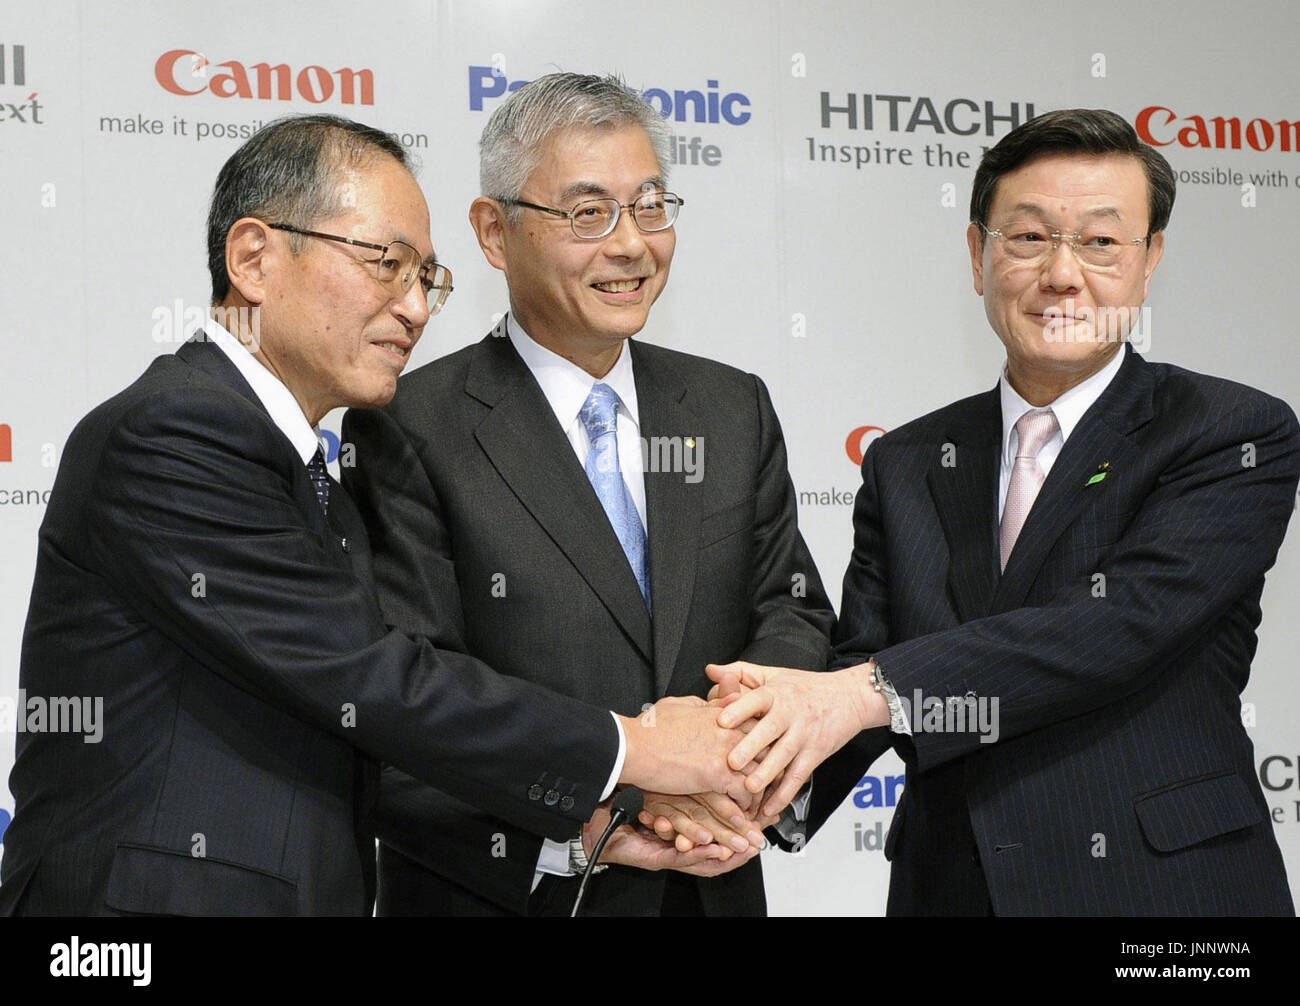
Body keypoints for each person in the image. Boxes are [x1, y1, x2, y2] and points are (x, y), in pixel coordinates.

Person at [0, 113, 757, 917]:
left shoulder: (315, 467)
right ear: (255, 259)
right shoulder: (175, 432)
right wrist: (638, 745)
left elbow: (367, 731)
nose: (415, 308)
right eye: (385, 264)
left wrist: (577, 839)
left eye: (426, 278)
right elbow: (375, 677)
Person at [707, 108, 1299, 915]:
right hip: (951, 889)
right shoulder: (907, 459)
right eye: (1028, 238)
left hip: (1164, 895)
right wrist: (749, 793)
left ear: (1149, 260)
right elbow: (867, 658)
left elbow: (1119, 626)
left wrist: (861, 691)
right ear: (978, 256)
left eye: (1100, 242)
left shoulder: (1231, 431)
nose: (1063, 273)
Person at [342, 73, 835, 917]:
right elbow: (402, 704)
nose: (632, 244)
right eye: (587, 213)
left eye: (650, 205)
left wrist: (726, 766)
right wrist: (615, 805)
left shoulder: (729, 406)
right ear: (495, 232)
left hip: (713, 890)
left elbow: (792, 614)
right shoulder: (406, 428)